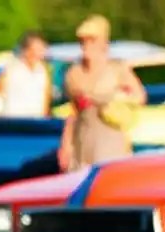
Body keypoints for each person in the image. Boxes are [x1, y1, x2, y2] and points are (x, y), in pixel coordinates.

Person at [58, 15, 147, 171]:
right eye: (83, 41)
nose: (86, 46)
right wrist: (66, 145)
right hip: (84, 141)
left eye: (91, 41)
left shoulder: (117, 69)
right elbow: (72, 112)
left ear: (103, 43)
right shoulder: (74, 73)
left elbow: (140, 97)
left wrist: (118, 99)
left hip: (112, 140)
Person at [0, 31, 51, 118]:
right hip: (13, 122)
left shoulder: (43, 71)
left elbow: (46, 98)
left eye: (43, 48)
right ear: (26, 50)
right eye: (38, 49)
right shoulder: (11, 68)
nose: (42, 53)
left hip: (36, 123)